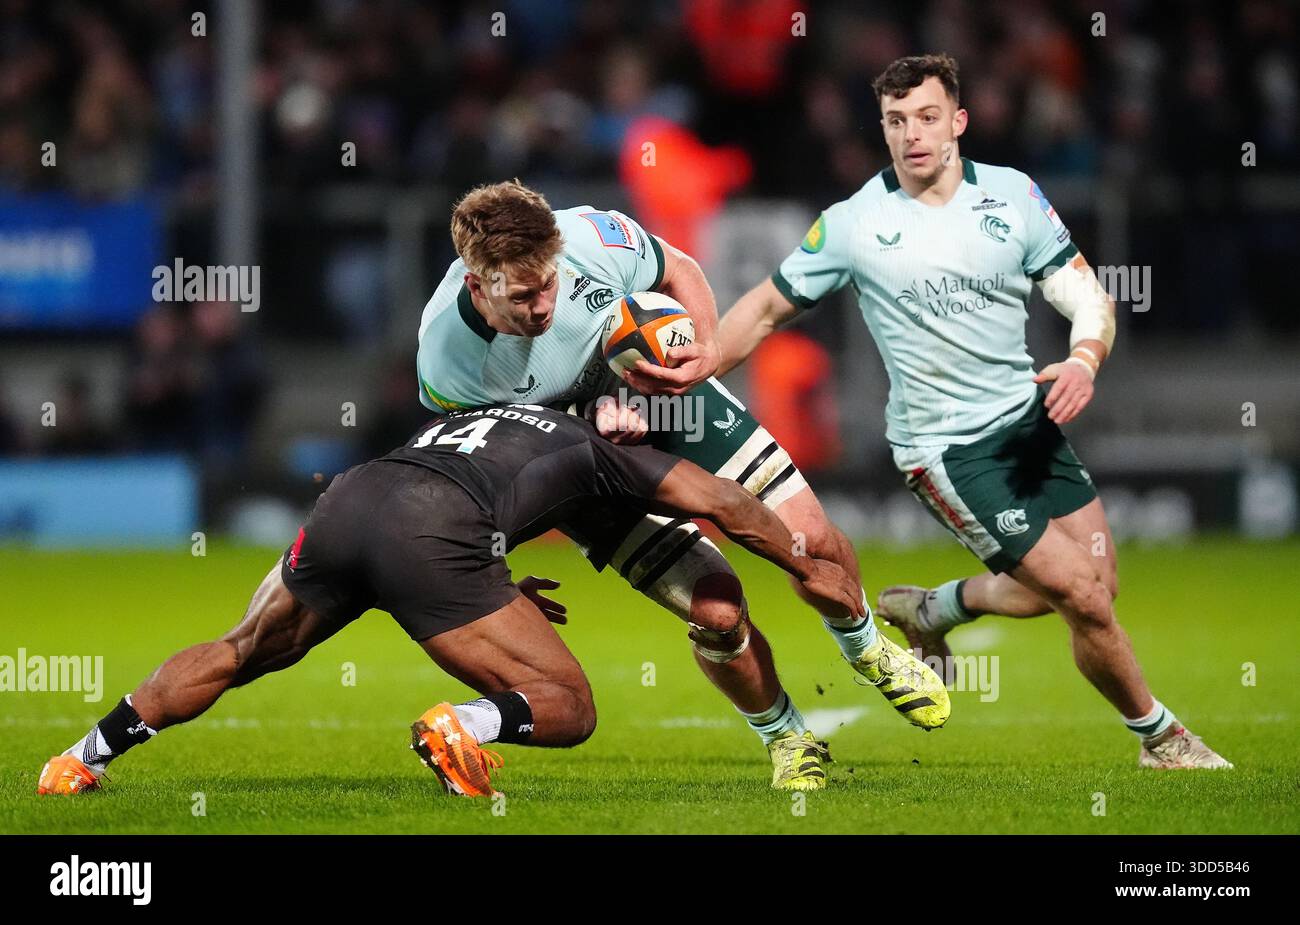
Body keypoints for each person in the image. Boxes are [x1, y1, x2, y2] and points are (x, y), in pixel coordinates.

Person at [715, 54, 1230, 770]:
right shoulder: (855, 223)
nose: (911, 134)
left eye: (926, 117)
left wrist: (1084, 359)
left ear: (958, 120)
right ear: (884, 129)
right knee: (1084, 597)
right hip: (949, 448)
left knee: (1097, 583)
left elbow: (1086, 293)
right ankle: (1163, 738)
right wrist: (701, 364)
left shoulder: (1013, 196)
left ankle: (936, 609)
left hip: (1027, 423)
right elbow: (769, 306)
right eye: (896, 121)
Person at [38, 404, 864, 798]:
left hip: (352, 499)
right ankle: (460, 725)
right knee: (569, 706)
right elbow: (722, 499)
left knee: (241, 648)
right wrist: (800, 562)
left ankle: (80, 757)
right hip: (435, 535)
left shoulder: (488, 415)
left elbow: (483, 487)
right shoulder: (606, 450)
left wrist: (487, 568)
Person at [413, 181, 950, 776]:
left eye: (548, 285)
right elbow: (493, 462)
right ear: (476, 284)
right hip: (572, 457)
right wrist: (503, 569)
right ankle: (788, 738)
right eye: (521, 296)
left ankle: (868, 649)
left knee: (809, 541)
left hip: (666, 400)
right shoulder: (448, 362)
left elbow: (681, 271)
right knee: (717, 614)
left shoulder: (590, 236)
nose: (542, 306)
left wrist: (707, 349)